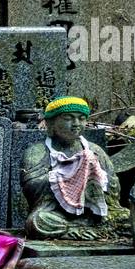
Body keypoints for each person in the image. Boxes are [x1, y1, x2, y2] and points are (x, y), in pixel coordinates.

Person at [20, 96, 117, 240]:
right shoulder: (37, 151)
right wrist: (70, 175)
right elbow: (30, 186)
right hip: (55, 213)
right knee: (37, 221)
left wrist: (94, 178)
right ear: (51, 123)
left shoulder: (94, 151)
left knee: (127, 218)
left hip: (91, 213)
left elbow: (113, 184)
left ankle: (82, 228)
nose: (76, 124)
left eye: (81, 118)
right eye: (68, 118)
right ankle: (72, 230)